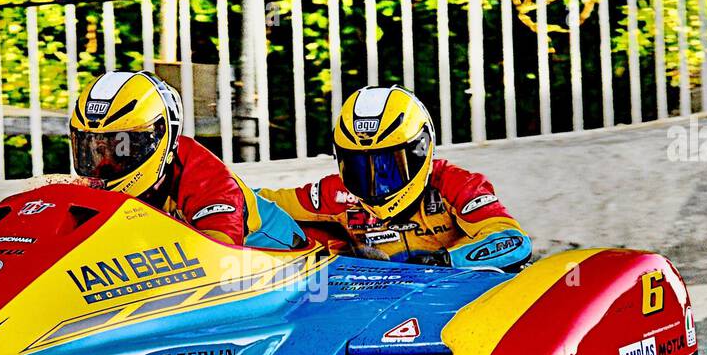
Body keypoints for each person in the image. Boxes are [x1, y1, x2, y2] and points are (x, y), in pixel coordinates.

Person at [258, 85, 531, 270]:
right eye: (359, 166)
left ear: (420, 150)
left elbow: (512, 242)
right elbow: (257, 202)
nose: (375, 179)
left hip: (461, 300)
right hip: (377, 311)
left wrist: (442, 261)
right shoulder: (336, 194)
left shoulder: (457, 184)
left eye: (388, 164)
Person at [69, 70, 303, 249]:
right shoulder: (96, 185)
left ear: (158, 139)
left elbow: (218, 257)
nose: (104, 163)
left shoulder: (207, 181)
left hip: (277, 258)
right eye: (93, 149)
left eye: (119, 148)